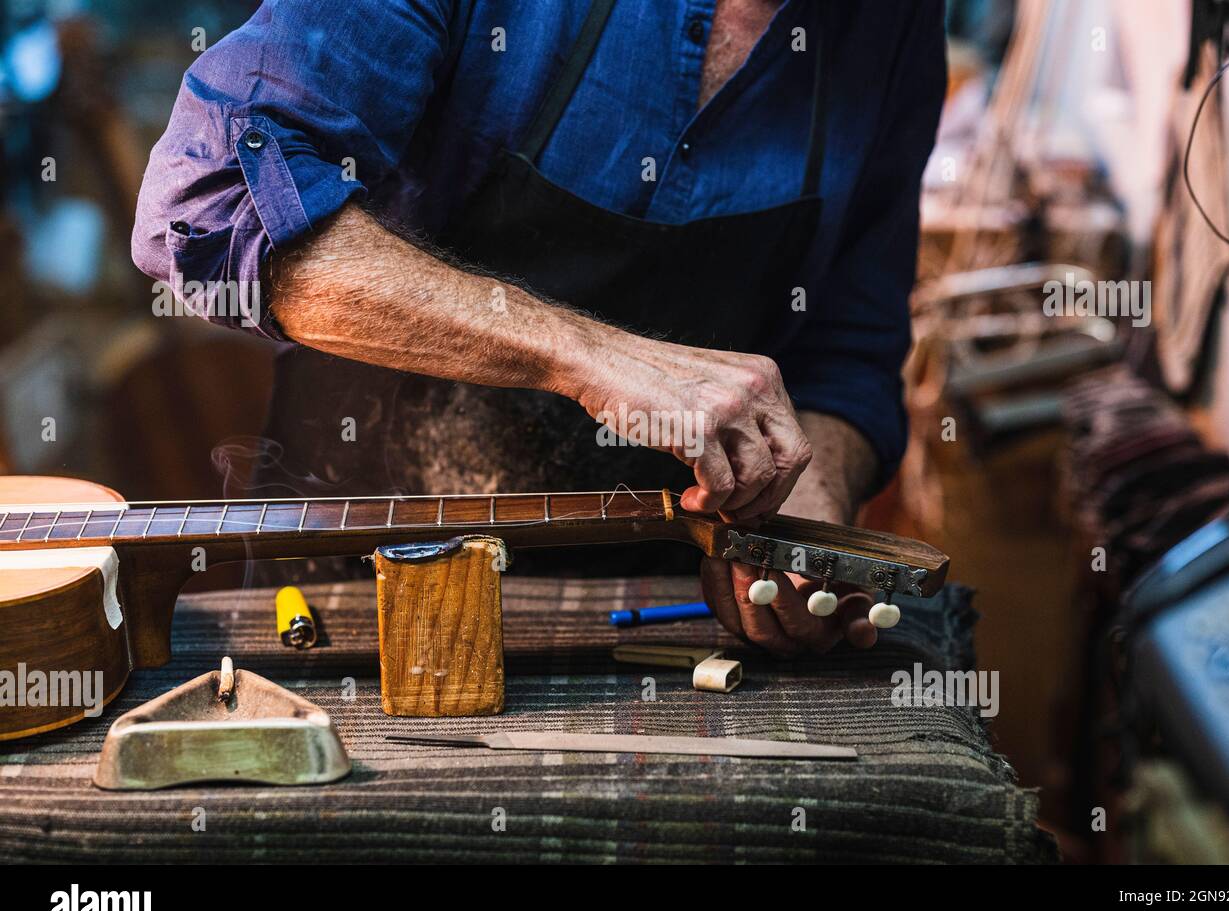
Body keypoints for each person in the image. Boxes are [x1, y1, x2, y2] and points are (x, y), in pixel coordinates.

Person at [132, 0, 947, 656]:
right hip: (355, 588)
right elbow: (207, 203)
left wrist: (806, 507)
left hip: (665, 623)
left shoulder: (894, 24)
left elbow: (848, 346)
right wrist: (592, 356)